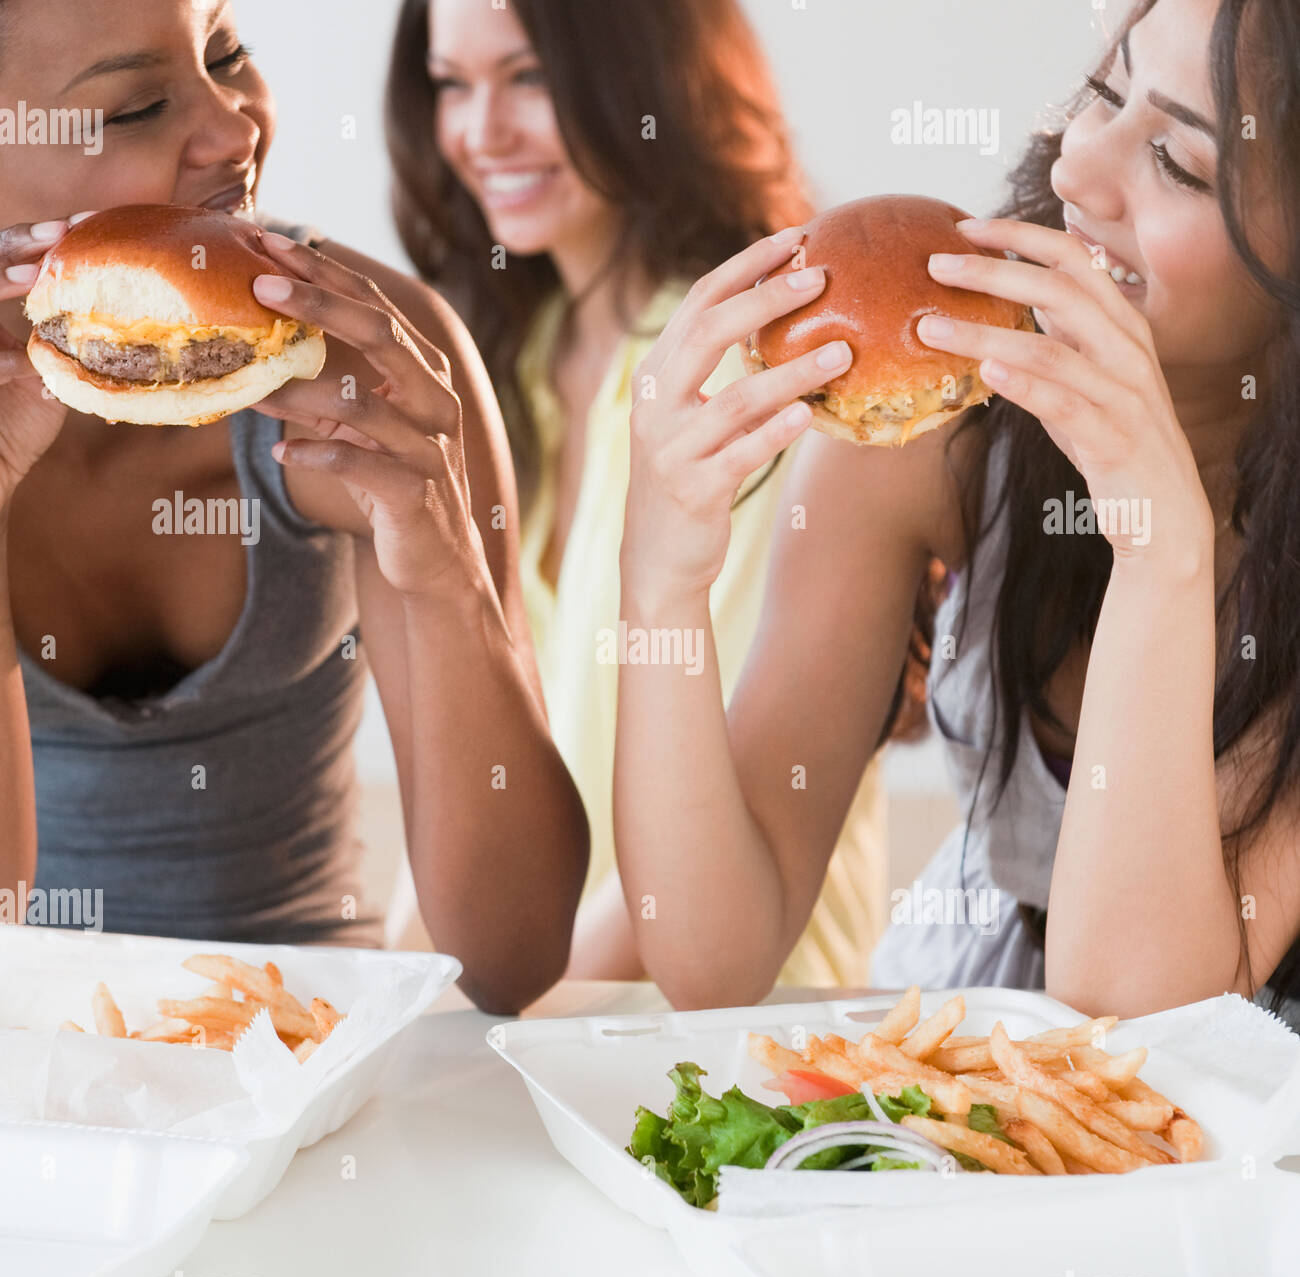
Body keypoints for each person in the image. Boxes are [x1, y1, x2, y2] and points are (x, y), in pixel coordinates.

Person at [614, 0, 1300, 1028]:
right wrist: (660, 584)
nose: (1075, 173)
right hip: (971, 1038)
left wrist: (1157, 556)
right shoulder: (938, 432)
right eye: (1104, 94)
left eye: (1178, 163)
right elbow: (711, 955)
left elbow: (1136, 1020)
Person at [0, 0, 589, 1014]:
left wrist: (443, 569)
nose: (235, 127)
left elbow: (513, 957)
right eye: (136, 106)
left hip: (314, 1061)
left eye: (227, 53)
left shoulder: (375, 352)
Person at [385, 0, 894, 985]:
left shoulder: (756, 373)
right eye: (452, 84)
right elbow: (465, 781)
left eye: (527, 77)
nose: (480, 132)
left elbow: (729, 789)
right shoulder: (511, 363)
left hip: (732, 1039)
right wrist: (391, 1002)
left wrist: (494, 1023)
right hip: (539, 1026)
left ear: (651, 77)